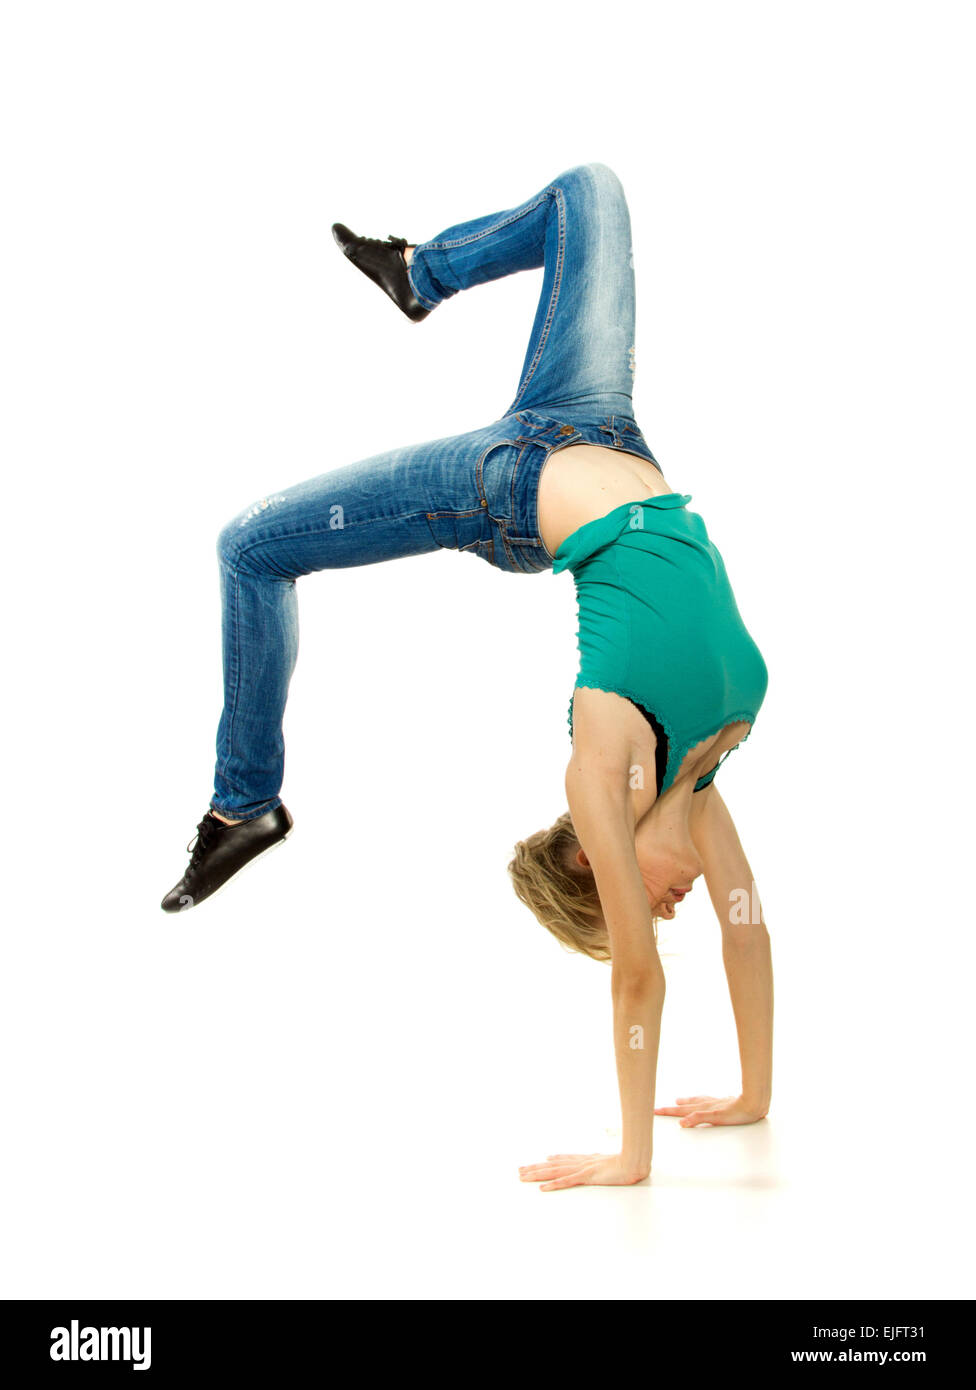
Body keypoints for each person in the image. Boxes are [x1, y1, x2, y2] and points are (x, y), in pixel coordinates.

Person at [161, 164, 773, 1188]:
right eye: (664, 907)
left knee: (249, 546)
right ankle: (419, 273)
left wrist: (629, 1153)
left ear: (593, 862)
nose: (672, 905)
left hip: (497, 489)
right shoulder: (699, 787)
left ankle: (242, 803)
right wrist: (754, 1095)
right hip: (598, 424)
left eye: (648, 902)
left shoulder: (603, 769)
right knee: (594, 192)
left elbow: (635, 976)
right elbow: (748, 930)